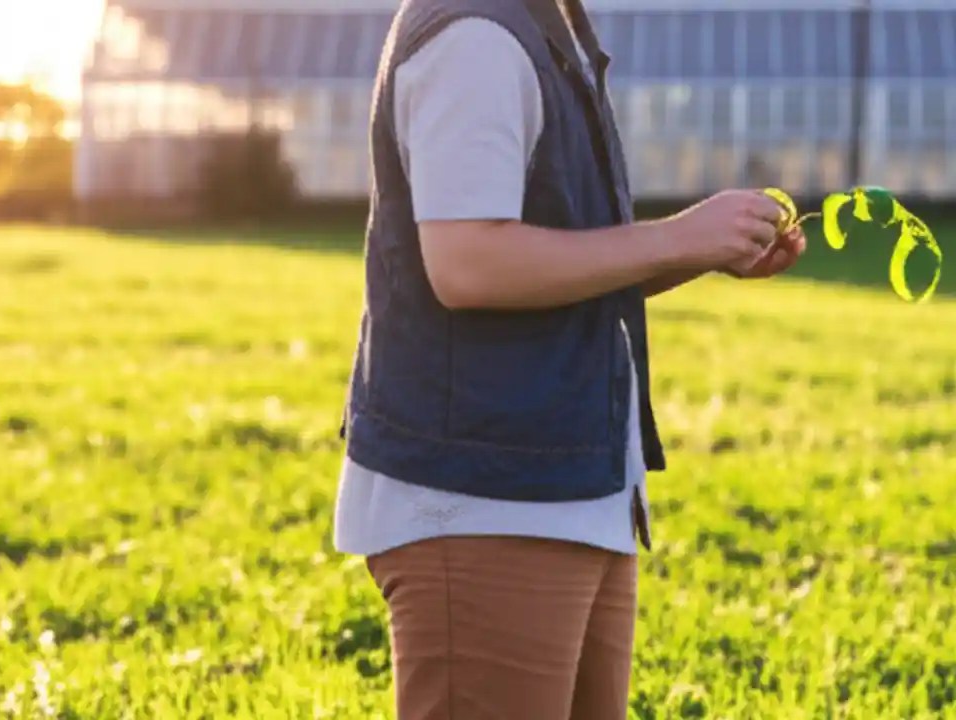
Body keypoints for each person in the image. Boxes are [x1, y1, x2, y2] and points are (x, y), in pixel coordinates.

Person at [332, 0, 807, 717]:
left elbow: (568, 263)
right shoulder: (477, 35)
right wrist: (677, 237)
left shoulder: (550, 27)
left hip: (570, 487)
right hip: (485, 494)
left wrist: (707, 251)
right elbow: (469, 262)